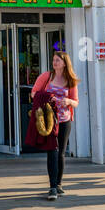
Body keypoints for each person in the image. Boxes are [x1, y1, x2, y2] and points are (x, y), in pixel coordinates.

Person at [32, 51, 79, 200]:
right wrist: (49, 98)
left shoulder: (70, 80)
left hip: (65, 120)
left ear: (65, 63)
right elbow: (34, 93)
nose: (55, 62)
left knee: (61, 153)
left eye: (58, 60)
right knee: (52, 151)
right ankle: (52, 187)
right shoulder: (46, 76)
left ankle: (59, 184)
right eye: (53, 60)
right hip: (49, 120)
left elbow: (76, 102)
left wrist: (68, 102)